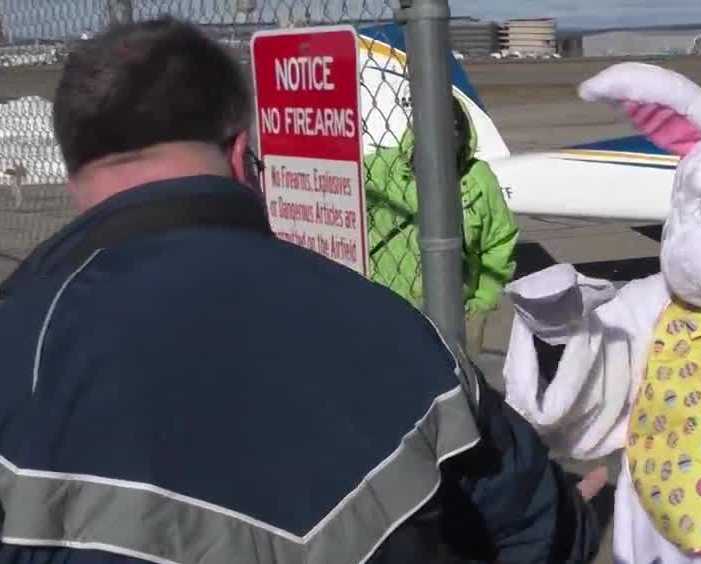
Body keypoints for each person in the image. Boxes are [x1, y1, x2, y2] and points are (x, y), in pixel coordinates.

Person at [0, 17, 599, 563]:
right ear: (241, 154)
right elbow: (537, 525)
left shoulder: (21, 338)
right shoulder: (392, 329)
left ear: (74, 175)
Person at [365, 97, 519, 356]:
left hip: (451, 314)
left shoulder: (478, 179)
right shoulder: (379, 169)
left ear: (462, 139)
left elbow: (499, 241)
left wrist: (482, 303)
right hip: (384, 306)